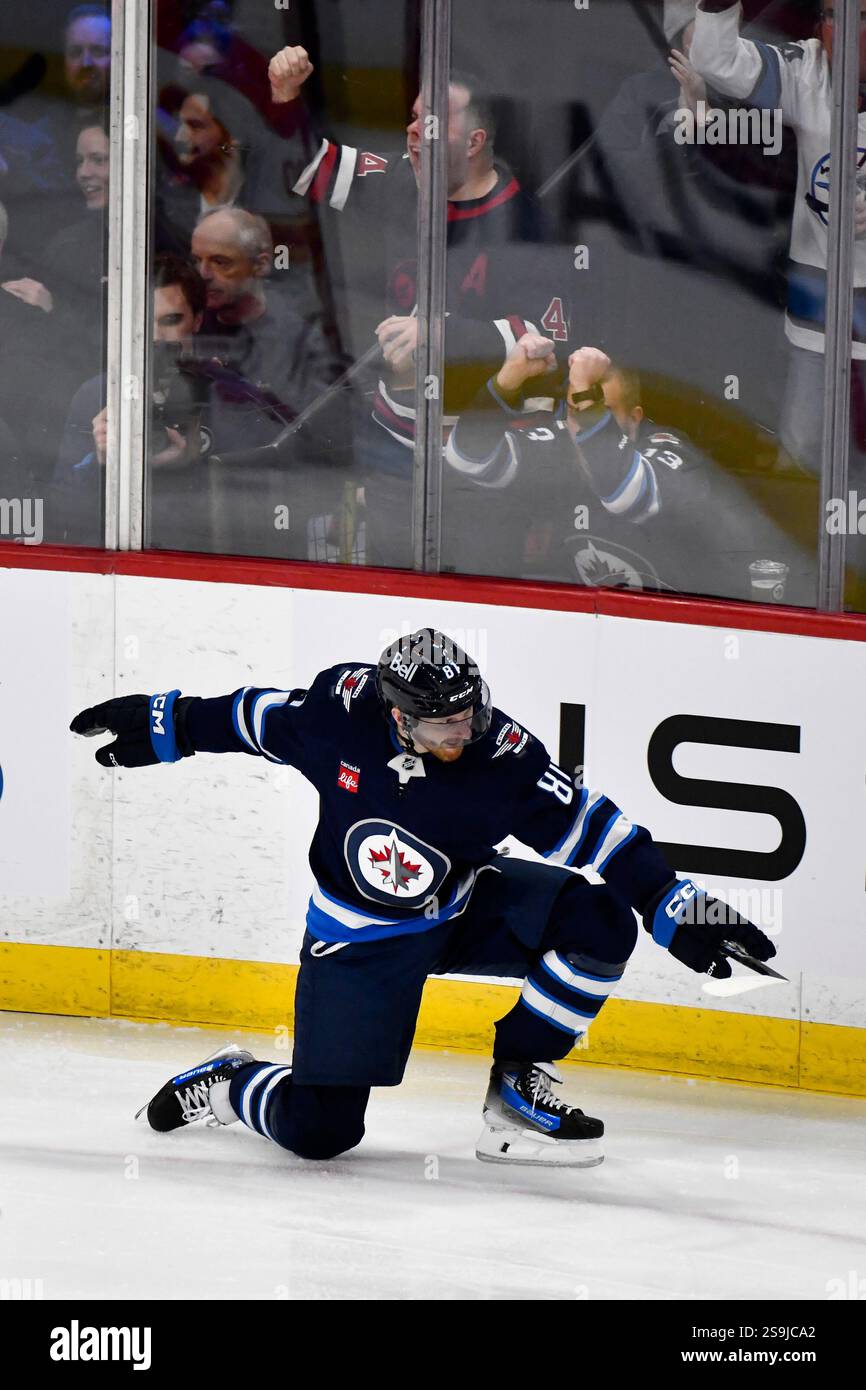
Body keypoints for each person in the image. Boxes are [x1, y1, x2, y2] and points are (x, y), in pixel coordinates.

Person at [70, 628, 775, 1166]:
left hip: (464, 908)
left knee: (597, 920)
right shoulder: (340, 713)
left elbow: (596, 829)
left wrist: (673, 905)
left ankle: (518, 1088)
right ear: (399, 718)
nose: (463, 732)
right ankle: (232, 1084)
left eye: (469, 714)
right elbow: (257, 718)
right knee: (323, 1133)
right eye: (444, 724)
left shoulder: (502, 757)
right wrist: (173, 725)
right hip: (359, 940)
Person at [268, 46, 572, 567]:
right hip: (394, 445)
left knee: (482, 602)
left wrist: (439, 334)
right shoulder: (395, 181)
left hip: (485, 453)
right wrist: (283, 96)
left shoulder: (529, 223)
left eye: (430, 122)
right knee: (391, 599)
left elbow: (547, 338)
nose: (413, 130)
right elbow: (306, 166)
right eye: (412, 117)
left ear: (474, 141)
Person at [444, 332, 808, 599]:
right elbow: (468, 458)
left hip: (693, 629)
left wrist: (584, 396)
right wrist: (508, 381)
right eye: (575, 409)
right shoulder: (564, 441)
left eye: (602, 410)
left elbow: (623, 490)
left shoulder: (672, 452)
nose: (582, 424)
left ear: (635, 419)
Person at [689, 0, 866, 485]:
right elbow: (716, 61)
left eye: (859, 17)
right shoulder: (806, 70)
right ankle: (802, 558)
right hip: (821, 304)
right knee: (803, 456)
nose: (840, 29)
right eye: (831, 15)